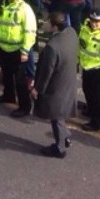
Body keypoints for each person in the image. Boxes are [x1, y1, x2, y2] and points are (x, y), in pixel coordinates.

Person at [33, 10, 79, 158]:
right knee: (60, 114)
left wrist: (37, 89)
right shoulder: (71, 33)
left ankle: (60, 148)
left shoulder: (52, 47)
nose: (45, 24)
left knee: (56, 116)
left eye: (48, 22)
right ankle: (65, 136)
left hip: (56, 87)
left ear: (54, 26)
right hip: (68, 81)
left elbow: (47, 72)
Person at [0, 0, 37, 117]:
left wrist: (25, 51)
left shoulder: (24, 9)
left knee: (20, 80)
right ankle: (8, 95)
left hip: (17, 49)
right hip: (2, 47)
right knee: (6, 74)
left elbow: (30, 31)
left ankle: (25, 106)